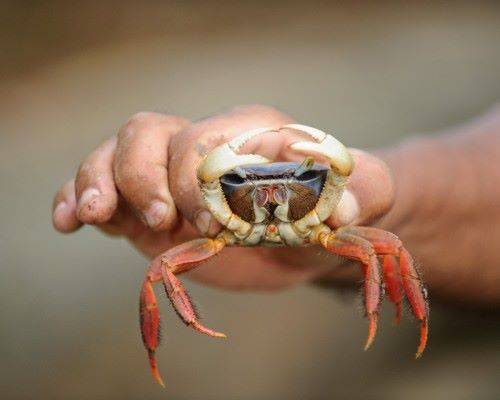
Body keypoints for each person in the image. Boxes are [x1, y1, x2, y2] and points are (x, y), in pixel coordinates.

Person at [52, 104, 500, 305]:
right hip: (228, 233)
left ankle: (399, 315)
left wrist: (379, 200)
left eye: (298, 180)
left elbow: (385, 238)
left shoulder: (332, 213)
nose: (272, 194)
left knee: (384, 247)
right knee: (160, 273)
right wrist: (171, 202)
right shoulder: (212, 221)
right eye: (242, 181)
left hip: (320, 235)